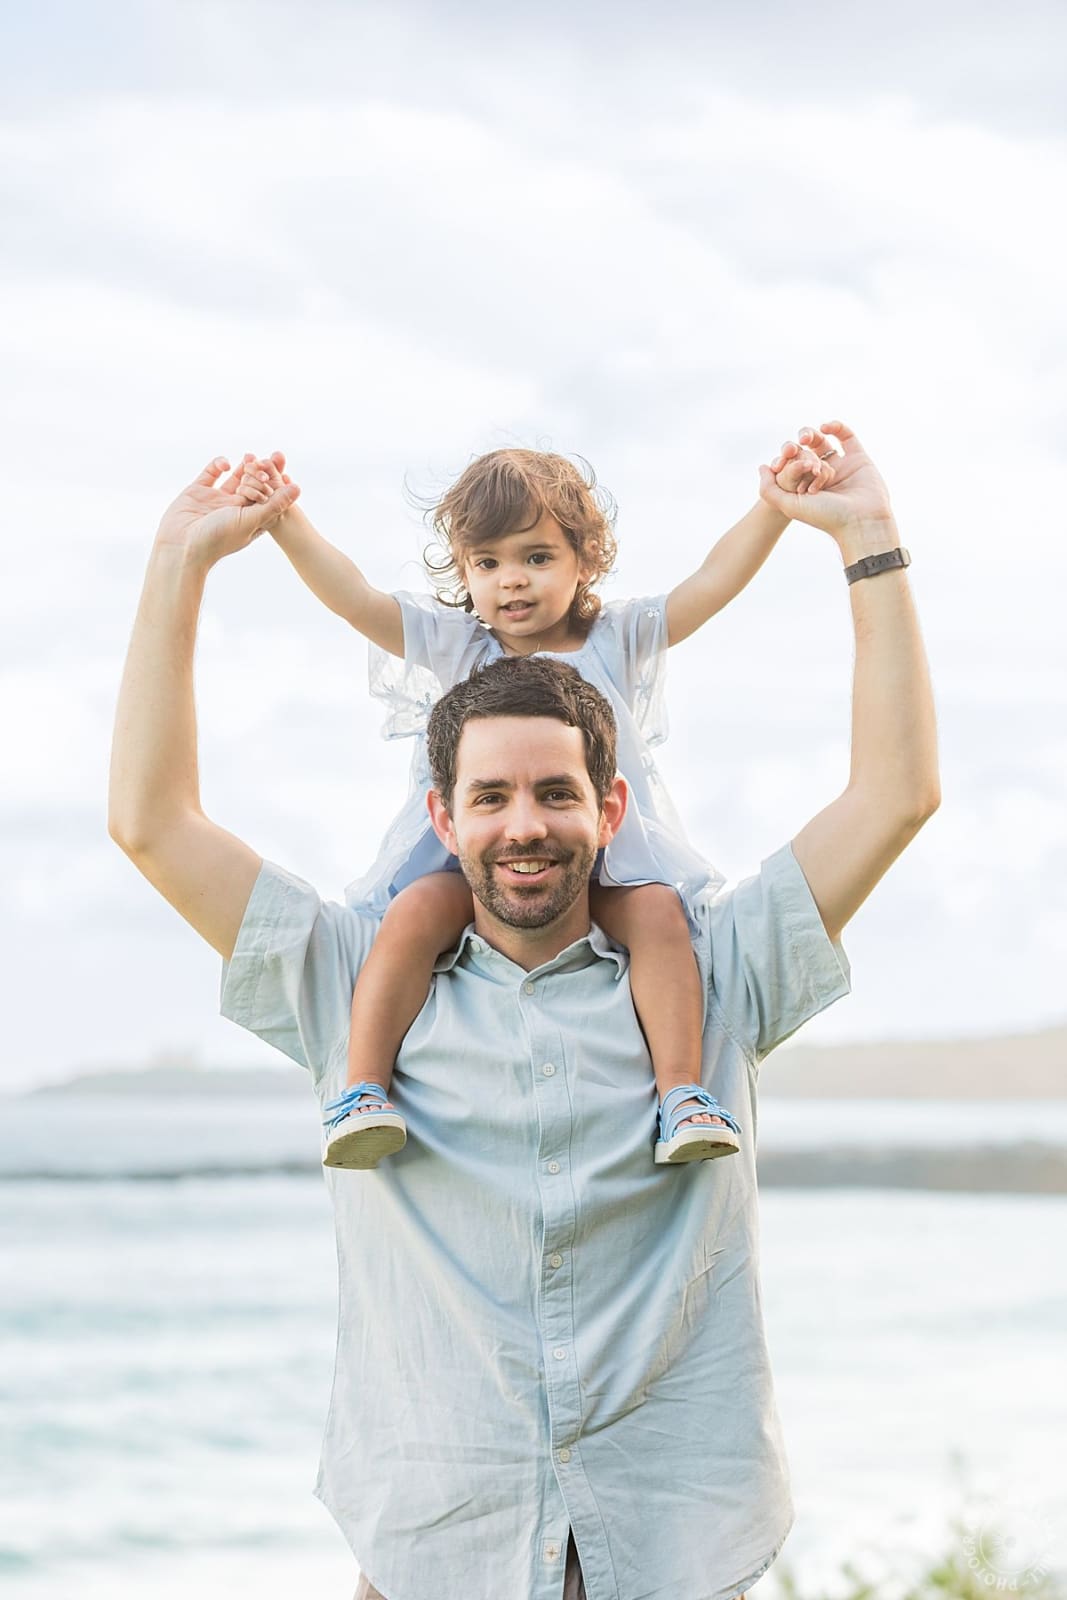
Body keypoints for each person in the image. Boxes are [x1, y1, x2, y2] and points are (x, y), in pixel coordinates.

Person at [108, 421, 939, 1600]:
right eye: (488, 795)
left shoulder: (714, 966)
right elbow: (151, 822)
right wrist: (176, 561)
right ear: (441, 820)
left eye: (554, 792)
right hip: (435, 1553)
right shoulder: (354, 982)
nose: (523, 823)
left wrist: (866, 539)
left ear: (608, 806)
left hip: (671, 1553)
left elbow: (896, 792)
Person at [230, 440, 832, 1171]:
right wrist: (285, 521)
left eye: (536, 557)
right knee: (415, 913)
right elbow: (355, 597)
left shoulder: (616, 637)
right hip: (487, 861)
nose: (511, 582)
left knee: (658, 919)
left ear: (585, 560)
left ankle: (681, 1096)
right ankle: (361, 1090)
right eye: (486, 564)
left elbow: (710, 582)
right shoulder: (461, 646)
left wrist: (772, 509)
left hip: (603, 854)